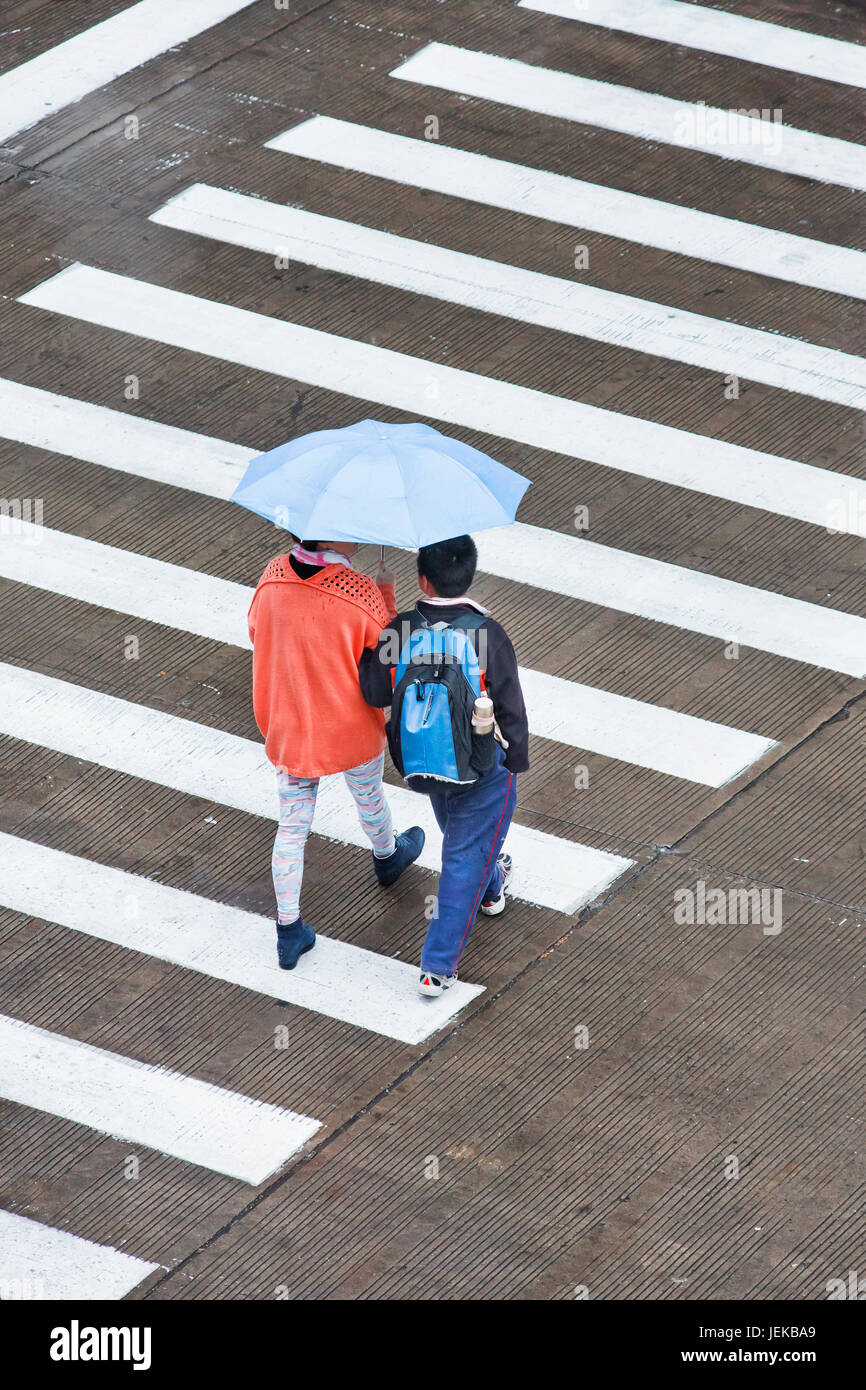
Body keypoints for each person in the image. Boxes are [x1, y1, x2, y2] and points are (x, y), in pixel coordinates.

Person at [359, 535, 529, 995]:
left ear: (422, 578)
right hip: (480, 764)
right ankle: (437, 966)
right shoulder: (486, 632)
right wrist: (514, 758)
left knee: (465, 839)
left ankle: (492, 886)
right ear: (470, 575)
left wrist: (378, 641)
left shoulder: (402, 627)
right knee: (461, 856)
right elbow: (510, 705)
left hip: (423, 761)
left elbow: (375, 692)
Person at [248, 537, 424, 968]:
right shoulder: (358, 589)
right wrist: (385, 595)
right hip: (350, 727)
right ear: (334, 535)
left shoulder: (271, 577)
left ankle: (289, 932)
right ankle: (387, 856)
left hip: (291, 727)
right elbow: (387, 650)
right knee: (368, 795)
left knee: (292, 825)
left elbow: (255, 631)